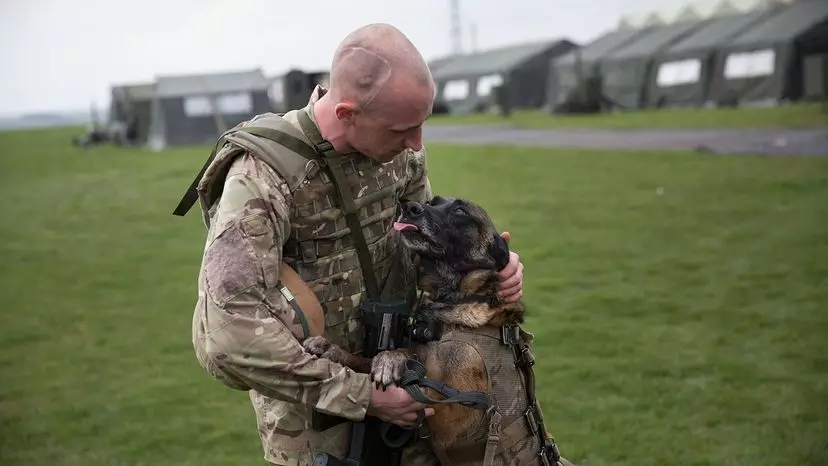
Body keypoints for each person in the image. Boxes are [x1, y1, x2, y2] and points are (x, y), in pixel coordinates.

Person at [189, 23, 525, 466]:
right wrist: (363, 395)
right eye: (402, 129)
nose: (416, 144)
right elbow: (227, 336)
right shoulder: (261, 178)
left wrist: (493, 271)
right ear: (347, 113)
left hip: (411, 387)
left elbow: (426, 248)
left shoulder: (400, 152)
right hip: (318, 425)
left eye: (422, 125)